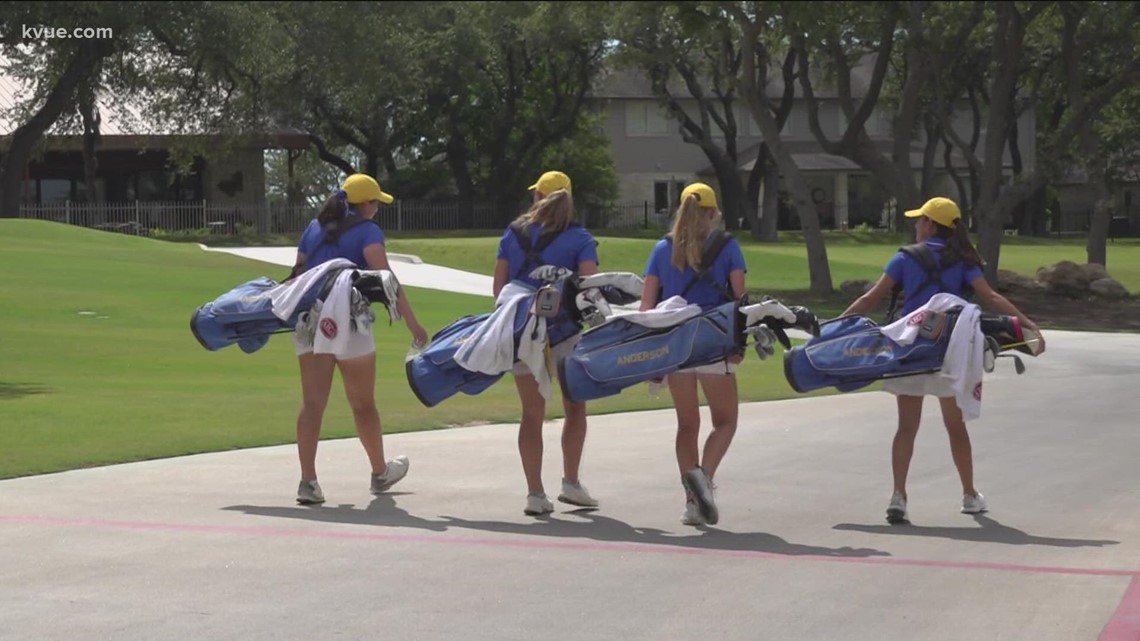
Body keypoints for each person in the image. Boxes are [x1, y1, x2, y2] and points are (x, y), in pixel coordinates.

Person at [840, 196, 1046, 524]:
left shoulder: (905, 258)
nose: (916, 225)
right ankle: (969, 495)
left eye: (919, 219)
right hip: (949, 352)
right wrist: (1029, 325)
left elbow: (869, 299)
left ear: (930, 224)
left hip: (909, 349)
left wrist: (834, 329)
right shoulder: (964, 258)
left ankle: (898, 497)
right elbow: (990, 296)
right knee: (956, 427)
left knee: (906, 428)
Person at [291, 173, 429, 505]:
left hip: (310, 320)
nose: (377, 210)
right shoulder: (368, 231)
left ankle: (308, 482)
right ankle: (380, 473)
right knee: (363, 404)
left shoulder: (314, 228)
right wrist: (413, 324)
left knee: (312, 404)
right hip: (349, 322)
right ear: (364, 205)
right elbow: (387, 280)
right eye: (375, 203)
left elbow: (296, 272)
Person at [638, 182, 748, 527]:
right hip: (712, 340)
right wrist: (739, 345)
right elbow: (739, 302)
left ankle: (690, 502)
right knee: (725, 421)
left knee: (687, 425)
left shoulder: (661, 249)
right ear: (713, 214)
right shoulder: (728, 247)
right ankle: (705, 478)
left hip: (675, 344)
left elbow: (646, 306)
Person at [492, 171, 601, 516]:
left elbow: (499, 289)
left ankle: (535, 494)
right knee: (575, 408)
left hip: (523, 331)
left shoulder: (513, 234)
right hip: (565, 332)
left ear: (537, 195)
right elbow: (590, 289)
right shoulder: (580, 237)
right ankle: (570, 482)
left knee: (531, 414)